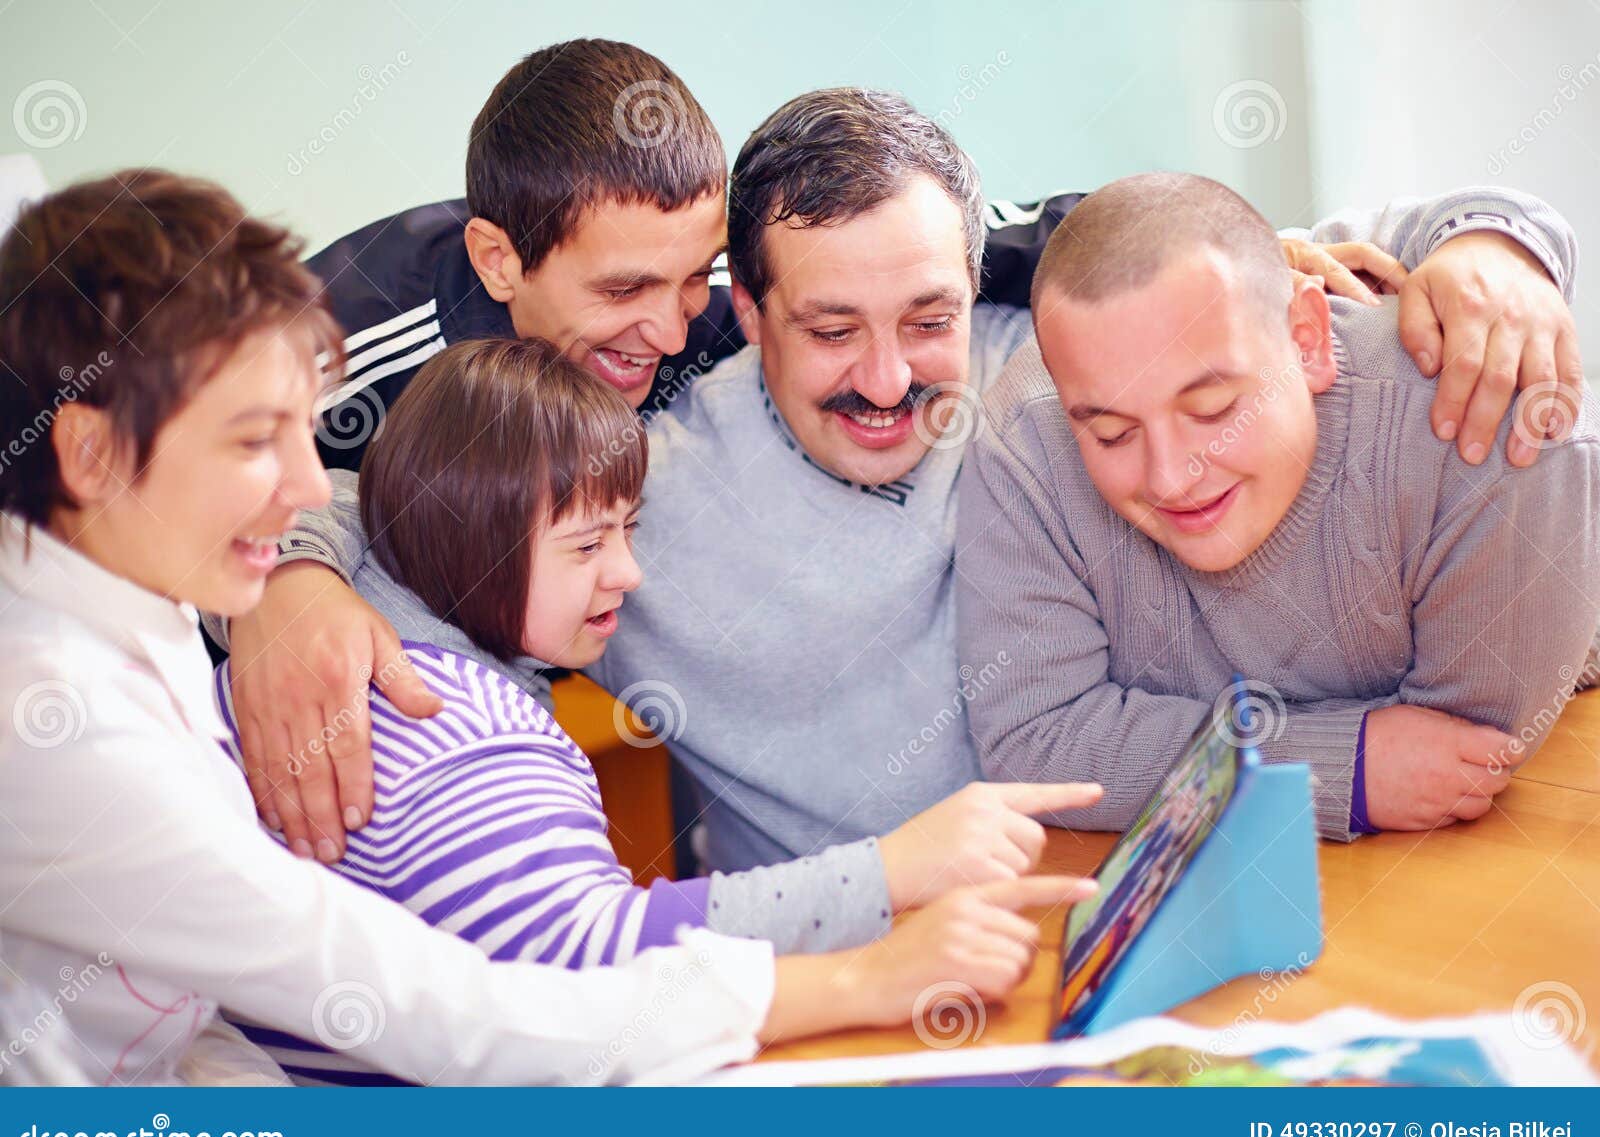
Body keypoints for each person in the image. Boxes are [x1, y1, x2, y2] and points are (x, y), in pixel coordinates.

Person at [259, 87, 1588, 876]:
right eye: (831, 331)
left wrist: (1497, 250)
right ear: (743, 314)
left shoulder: (1060, 344)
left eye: (928, 317)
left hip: (1185, 880)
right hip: (870, 976)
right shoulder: (632, 489)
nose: (892, 381)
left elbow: (1305, 258)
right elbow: (372, 524)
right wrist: (295, 583)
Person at [0, 170, 1090, 1086]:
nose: (302, 485)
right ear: (89, 453)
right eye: (252, 442)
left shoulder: (143, 595)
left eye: (303, 432)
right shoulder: (61, 728)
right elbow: (439, 1002)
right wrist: (866, 970)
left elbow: (207, 1023)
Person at [212, 335, 1100, 1082]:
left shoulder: (372, 626)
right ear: (470, 538)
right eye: (590, 543)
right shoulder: (449, 727)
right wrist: (891, 879)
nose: (627, 574)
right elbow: (596, 962)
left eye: (628, 531)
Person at [956, 172, 1600, 839]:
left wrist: (1498, 238)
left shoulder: (1495, 431)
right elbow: (1037, 741)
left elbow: (1457, 760)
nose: (1173, 478)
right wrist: (1330, 764)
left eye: (1212, 410)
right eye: (1112, 433)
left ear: (1309, 340)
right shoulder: (1025, 434)